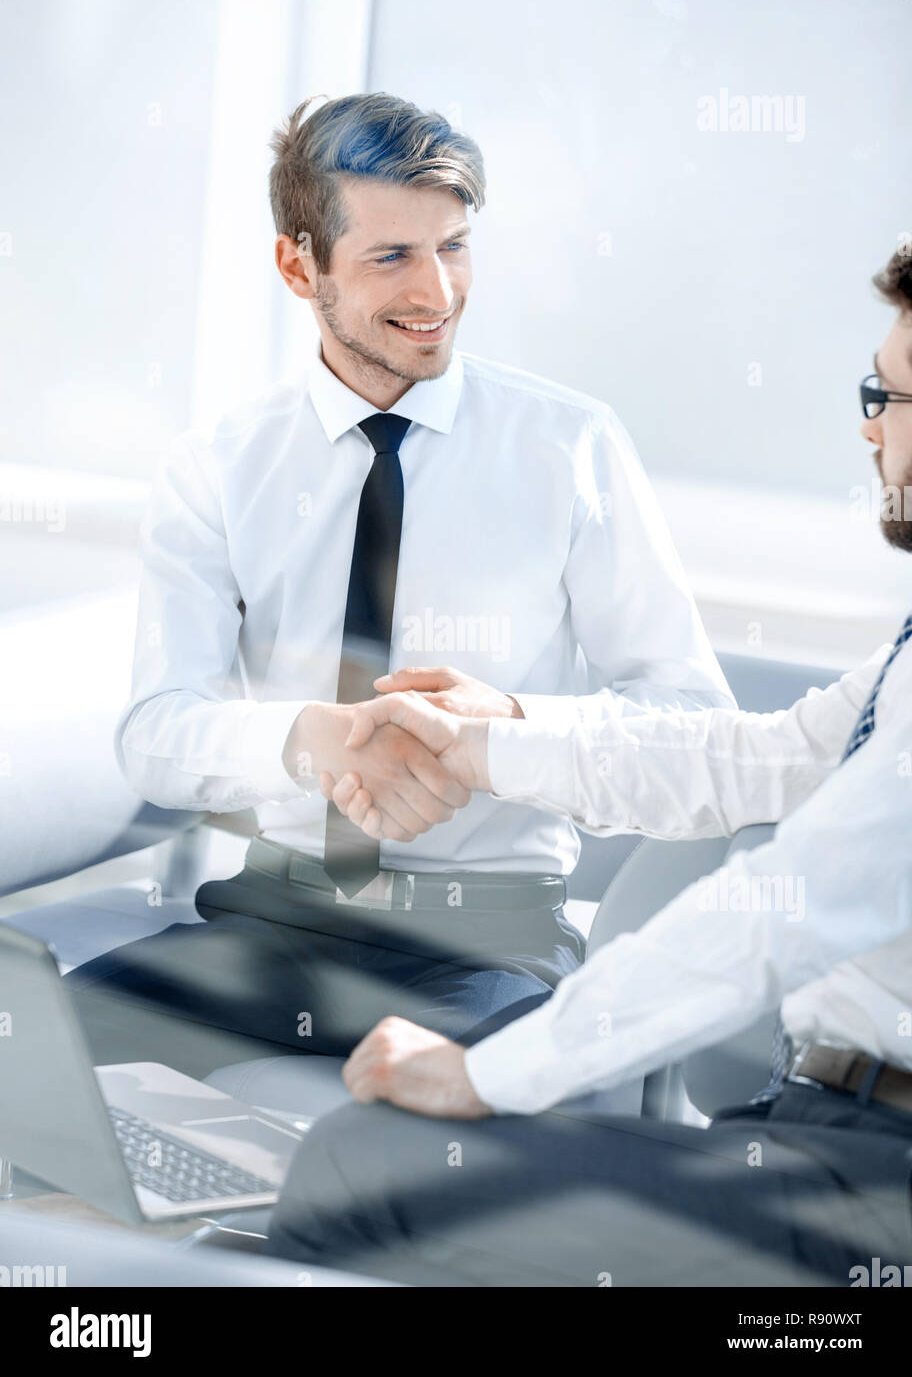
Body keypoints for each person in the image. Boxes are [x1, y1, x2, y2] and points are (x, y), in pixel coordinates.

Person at [263, 247, 912, 1287]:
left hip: (874, 1194)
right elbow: (753, 757)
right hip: (823, 1131)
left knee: (359, 1167)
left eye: (889, 394)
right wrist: (485, 735)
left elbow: (782, 910)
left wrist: (486, 1074)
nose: (872, 425)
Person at [64, 93, 731, 1078]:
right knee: (31, 1067)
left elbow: (694, 723)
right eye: (392, 258)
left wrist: (495, 742)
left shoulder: (571, 446)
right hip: (275, 921)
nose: (439, 290)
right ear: (299, 265)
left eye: (453, 247)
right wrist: (307, 739)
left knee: (412, 1146)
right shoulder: (219, 466)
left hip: (488, 945)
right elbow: (157, 734)